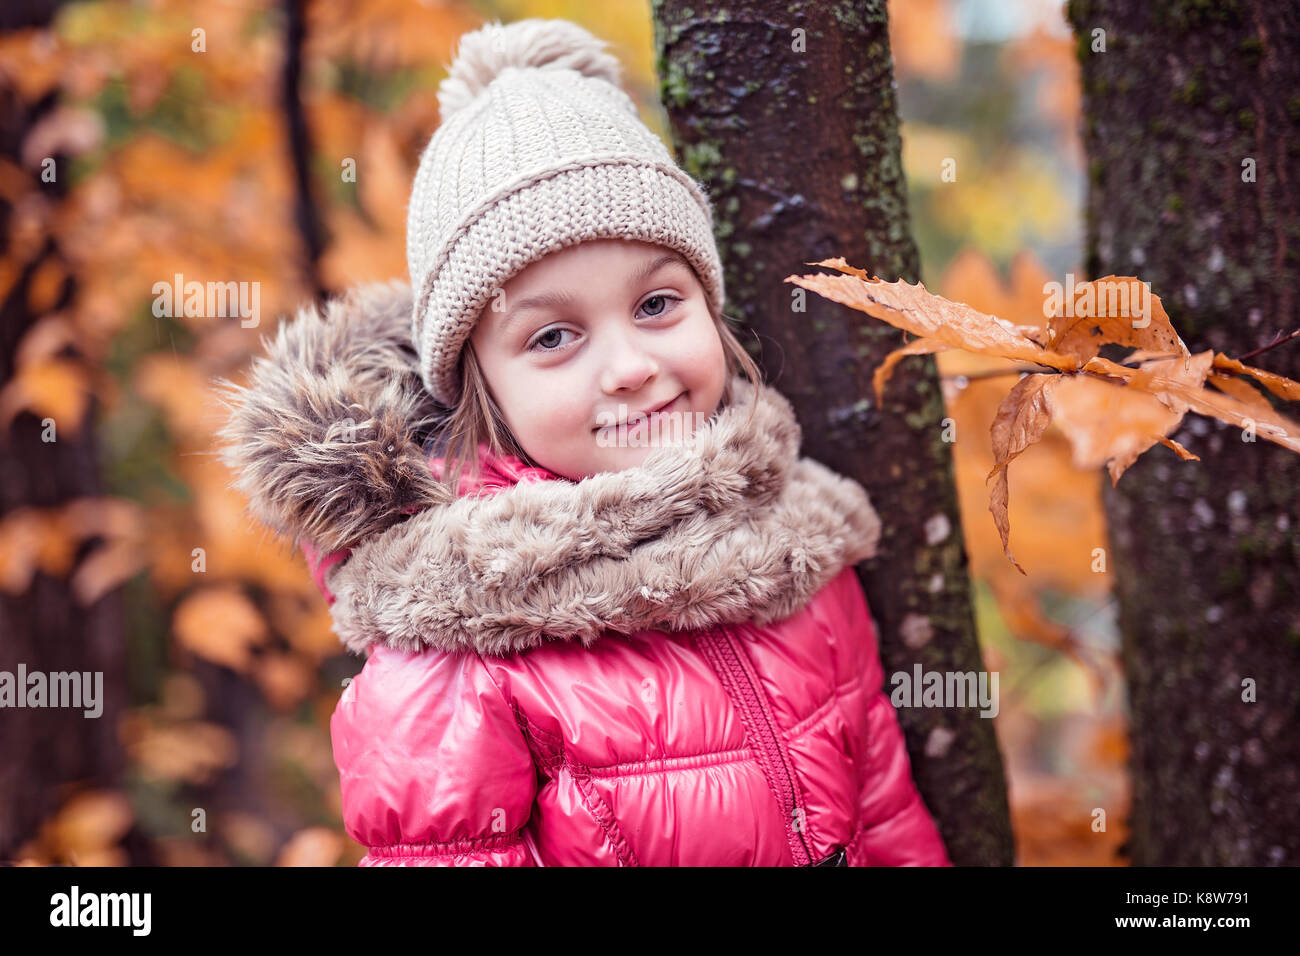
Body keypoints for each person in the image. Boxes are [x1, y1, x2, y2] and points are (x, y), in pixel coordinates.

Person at [219, 17, 951, 866]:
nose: (631, 367)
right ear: (478, 387)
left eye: (655, 305)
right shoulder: (459, 653)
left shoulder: (801, 548)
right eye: (554, 338)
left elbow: (886, 816)